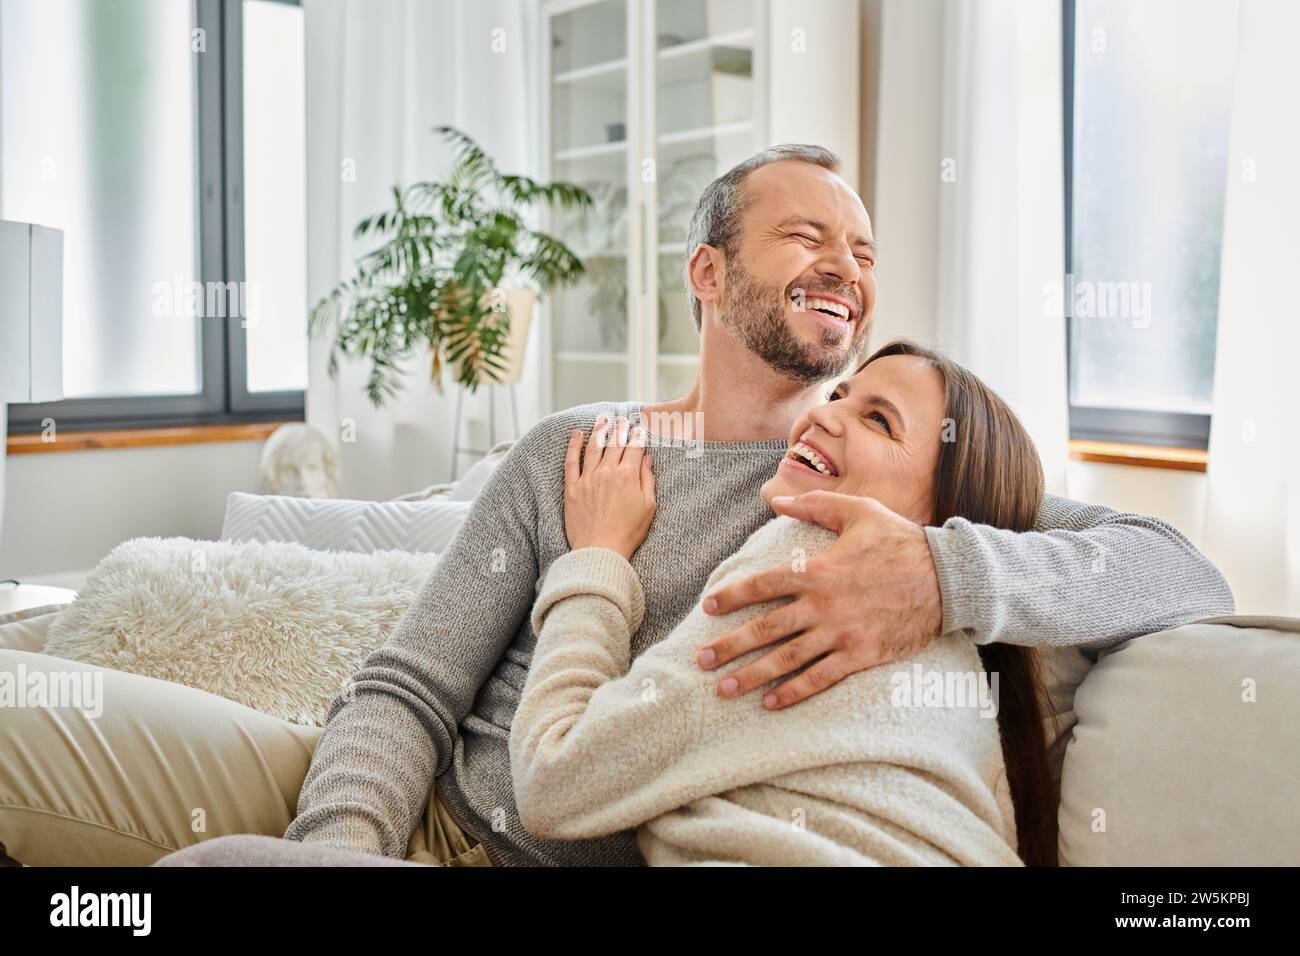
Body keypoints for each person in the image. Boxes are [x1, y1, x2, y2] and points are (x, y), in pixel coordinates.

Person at [0, 145, 1232, 867]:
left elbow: (1182, 570)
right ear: (709, 274)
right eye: (808, 235)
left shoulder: (889, 492)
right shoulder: (579, 454)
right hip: (411, 806)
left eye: (862, 254)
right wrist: (337, 848)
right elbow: (411, 685)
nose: (847, 270)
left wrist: (942, 575)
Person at [511, 339, 1055, 866]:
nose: (825, 415)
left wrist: (597, 556)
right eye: (840, 395)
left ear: (945, 513)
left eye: (879, 420)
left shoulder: (813, 562)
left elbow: (552, 777)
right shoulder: (964, 666)